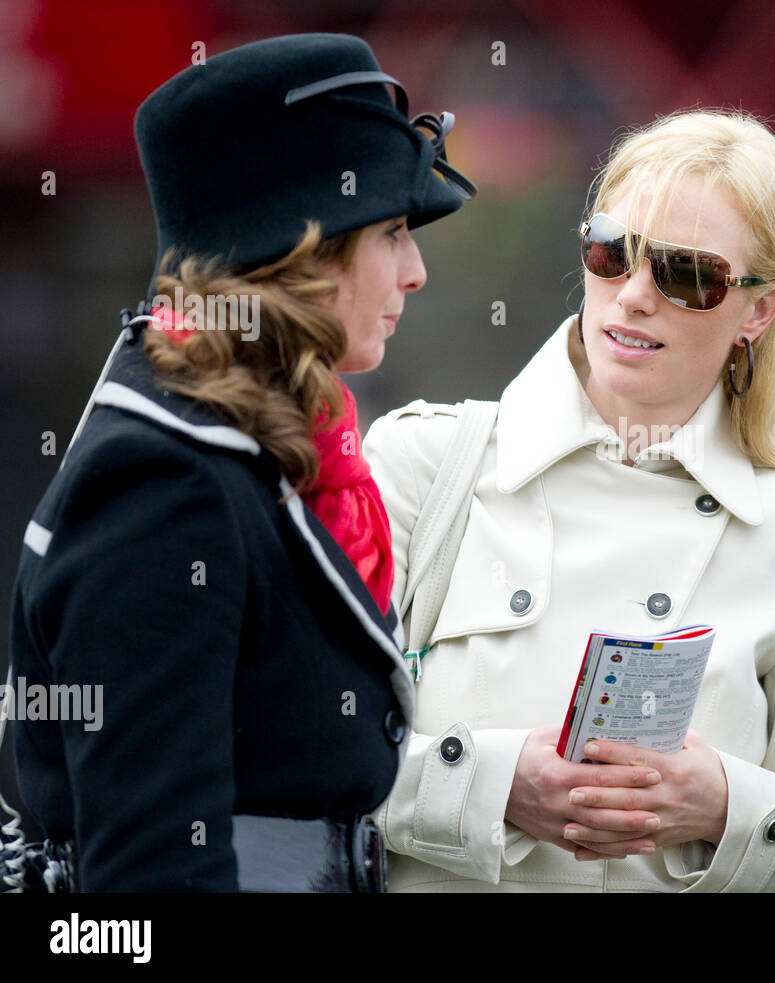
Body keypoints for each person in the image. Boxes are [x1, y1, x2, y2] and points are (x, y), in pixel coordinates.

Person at [364, 110, 775, 892]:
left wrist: (723, 809)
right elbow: (311, 752)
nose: (635, 295)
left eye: (687, 275)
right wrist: (498, 784)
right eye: (611, 252)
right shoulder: (425, 462)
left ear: (760, 311)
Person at [6, 33, 474, 891]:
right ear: (308, 250)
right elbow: (145, 876)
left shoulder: (246, 450)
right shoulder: (163, 481)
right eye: (396, 231)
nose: (416, 271)